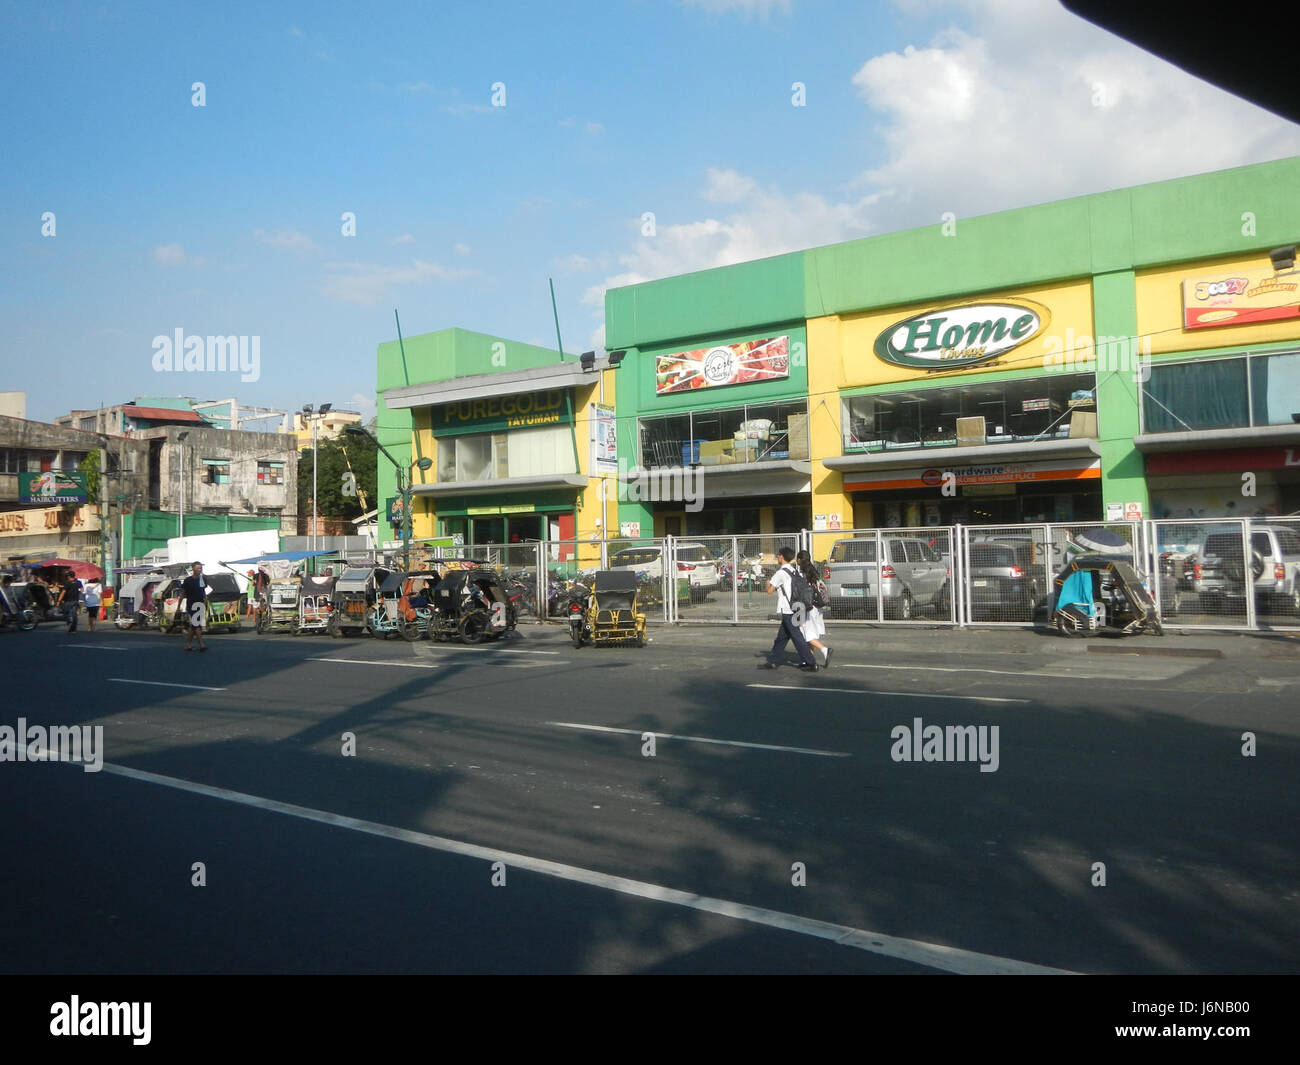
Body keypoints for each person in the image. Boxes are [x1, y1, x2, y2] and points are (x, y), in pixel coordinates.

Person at [760, 546, 818, 671]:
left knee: (797, 637)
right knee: (782, 637)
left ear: (781, 556)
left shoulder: (780, 573)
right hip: (796, 606)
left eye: (778, 555)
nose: (777, 557)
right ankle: (772, 660)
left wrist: (767, 582)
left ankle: (811, 663)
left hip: (788, 609)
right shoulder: (793, 570)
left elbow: (769, 590)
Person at [795, 549, 832, 669]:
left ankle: (825, 650)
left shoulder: (801, 574)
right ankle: (809, 660)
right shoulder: (813, 571)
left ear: (799, 560)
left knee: (806, 634)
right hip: (816, 607)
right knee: (811, 633)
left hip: (807, 608)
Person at [179, 561, 209, 652]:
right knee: (197, 625)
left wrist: (205, 600)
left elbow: (203, 591)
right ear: (193, 569)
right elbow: (182, 594)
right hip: (192, 605)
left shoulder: (202, 579)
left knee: (194, 626)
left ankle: (187, 645)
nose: (200, 570)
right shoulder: (188, 580)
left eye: (200, 568)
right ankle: (201, 644)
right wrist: (178, 606)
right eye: (198, 568)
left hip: (200, 604)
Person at [58, 569, 84, 633]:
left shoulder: (66, 583)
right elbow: (82, 590)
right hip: (75, 600)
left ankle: (69, 623)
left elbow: (63, 592)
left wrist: (59, 600)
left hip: (67, 601)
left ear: (69, 576)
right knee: (74, 614)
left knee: (66, 613)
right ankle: (74, 628)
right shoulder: (78, 582)